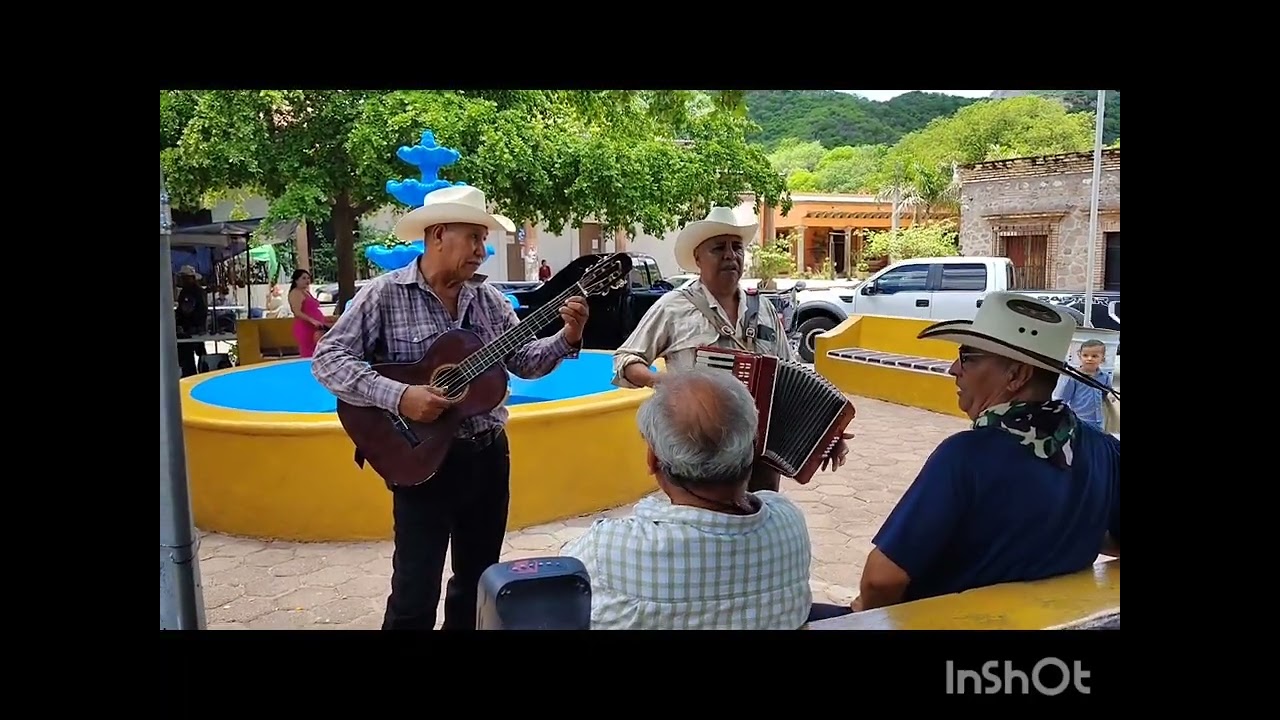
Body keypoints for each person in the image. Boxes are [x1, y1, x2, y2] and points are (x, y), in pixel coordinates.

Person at [311, 185, 589, 631]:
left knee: (477, 585)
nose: (483, 249)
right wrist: (400, 396)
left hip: (486, 458)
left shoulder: (490, 300)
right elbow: (327, 360)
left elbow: (525, 362)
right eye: (474, 238)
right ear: (438, 234)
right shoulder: (383, 295)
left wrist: (567, 338)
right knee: (414, 593)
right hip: (419, 461)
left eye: (484, 239)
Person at [828, 292, 1121, 617]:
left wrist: (867, 615)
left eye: (968, 357)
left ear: (1017, 375)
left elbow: (881, 580)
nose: (954, 368)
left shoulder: (965, 456)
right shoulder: (1103, 448)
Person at [611, 206, 849, 492]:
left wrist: (825, 436)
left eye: (736, 247)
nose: (730, 255)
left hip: (762, 454)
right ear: (698, 258)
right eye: (718, 248)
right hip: (700, 450)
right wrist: (665, 382)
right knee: (703, 527)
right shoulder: (673, 307)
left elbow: (793, 373)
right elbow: (625, 360)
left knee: (760, 526)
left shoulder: (764, 309)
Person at [560, 368, 813, 630]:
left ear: (653, 460)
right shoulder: (789, 523)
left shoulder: (607, 548)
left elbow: (558, 586)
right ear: (752, 448)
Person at [1053, 338, 1114, 432]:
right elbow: (1062, 399)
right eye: (1085, 355)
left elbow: (1107, 395)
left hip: (1099, 421)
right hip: (1079, 420)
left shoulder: (1104, 377)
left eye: (1094, 356)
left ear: (1102, 358)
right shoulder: (1073, 377)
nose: (1089, 359)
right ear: (1079, 356)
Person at [287, 269, 334, 358]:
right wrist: (312, 320)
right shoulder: (295, 293)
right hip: (305, 327)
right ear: (296, 280)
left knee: (318, 351)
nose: (307, 280)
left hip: (317, 326)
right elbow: (297, 312)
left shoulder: (306, 292)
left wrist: (324, 319)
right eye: (304, 278)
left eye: (308, 278)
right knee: (308, 353)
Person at [174, 265, 208, 377]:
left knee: (187, 355)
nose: (182, 280)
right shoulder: (192, 291)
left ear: (191, 278)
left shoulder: (192, 292)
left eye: (185, 278)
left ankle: (191, 376)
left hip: (192, 328)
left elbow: (187, 310)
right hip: (194, 327)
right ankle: (201, 374)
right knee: (199, 353)